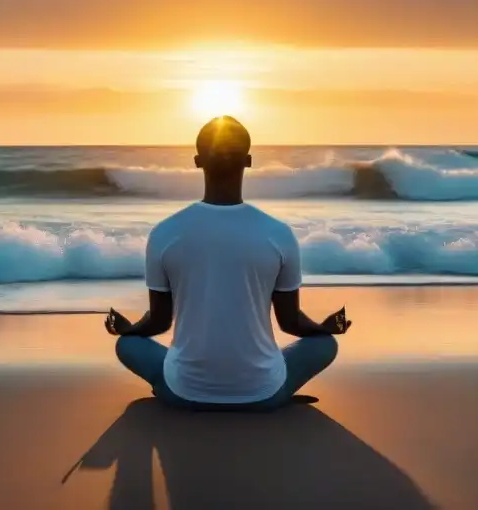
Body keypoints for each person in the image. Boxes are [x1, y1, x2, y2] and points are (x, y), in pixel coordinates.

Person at [104, 115, 351, 411]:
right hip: (263, 396)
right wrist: (323, 329)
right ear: (248, 161)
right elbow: (291, 322)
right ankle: (275, 390)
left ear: (198, 161)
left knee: (127, 346)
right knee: (326, 344)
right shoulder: (279, 233)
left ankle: (170, 386)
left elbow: (159, 321)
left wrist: (129, 330)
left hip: (183, 395)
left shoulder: (164, 233)